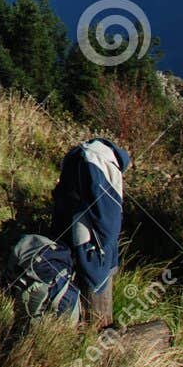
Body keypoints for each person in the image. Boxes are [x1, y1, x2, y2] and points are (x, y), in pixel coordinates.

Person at [50, 137, 131, 329]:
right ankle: (91, 331)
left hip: (72, 234)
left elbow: (62, 197)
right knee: (93, 292)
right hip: (88, 242)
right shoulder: (99, 163)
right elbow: (107, 222)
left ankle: (81, 328)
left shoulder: (80, 156)